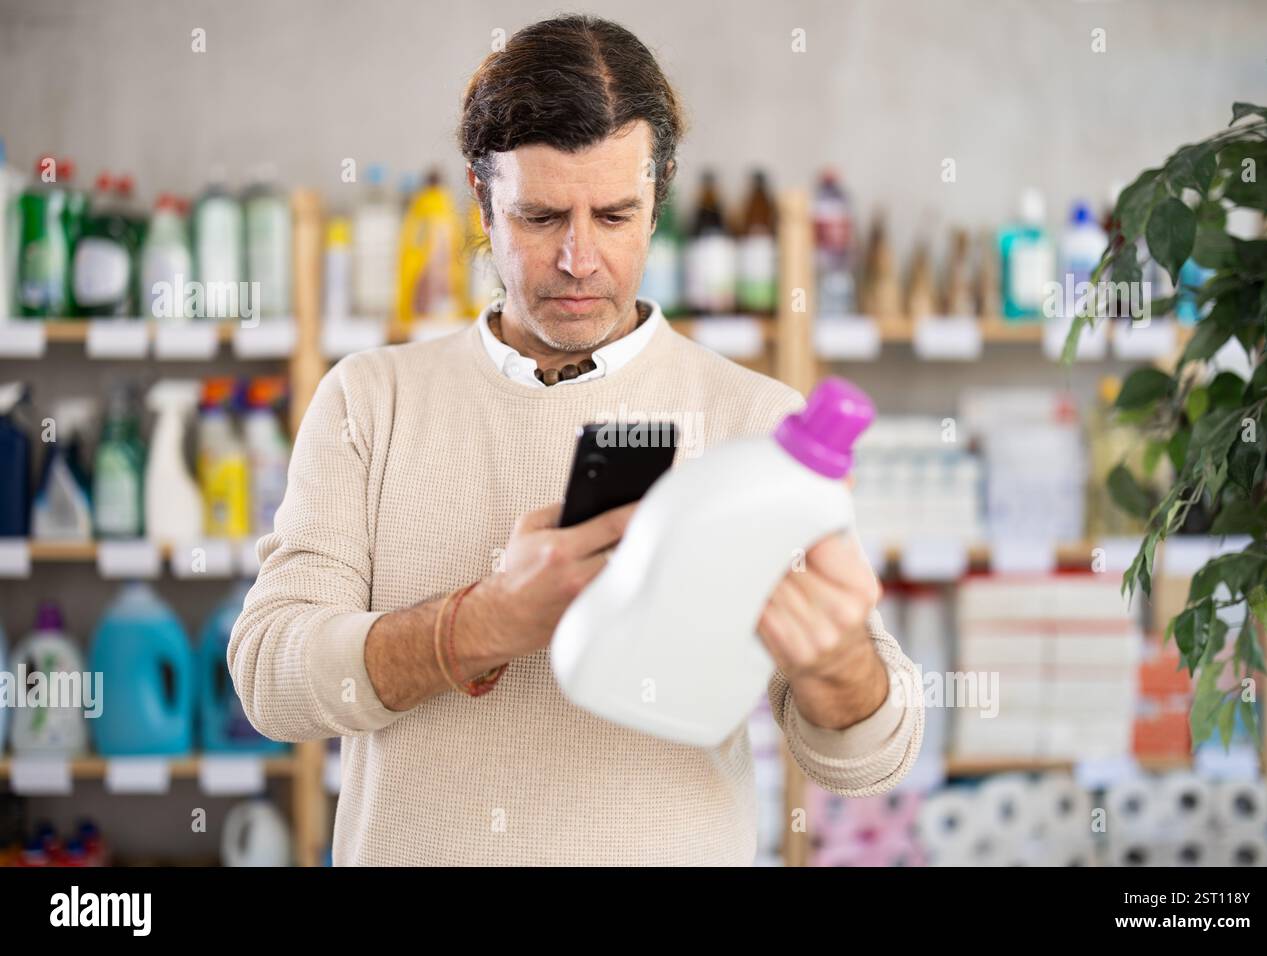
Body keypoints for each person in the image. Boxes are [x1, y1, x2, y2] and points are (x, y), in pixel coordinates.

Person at [229, 13, 923, 866]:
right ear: (482, 200)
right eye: (542, 216)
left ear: (659, 197)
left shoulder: (760, 423)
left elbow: (869, 759)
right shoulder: (370, 401)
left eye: (617, 215)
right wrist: (479, 626)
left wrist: (840, 661)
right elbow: (270, 678)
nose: (579, 259)